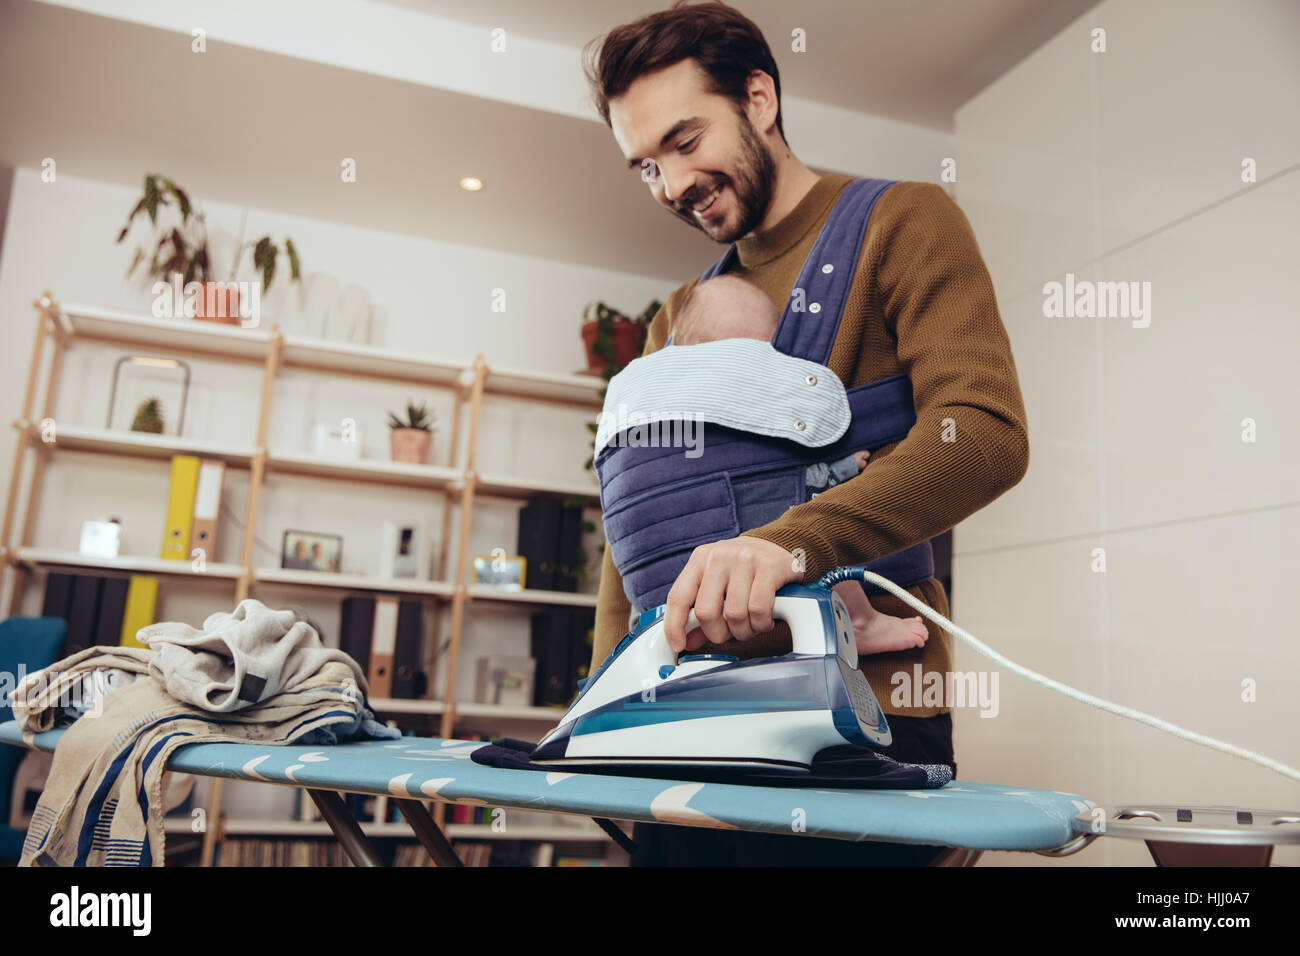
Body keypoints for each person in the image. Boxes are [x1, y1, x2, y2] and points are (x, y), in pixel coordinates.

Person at [582, 0, 1029, 865]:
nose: (671, 187)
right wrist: (606, 706)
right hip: (685, 727)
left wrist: (789, 545)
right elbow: (636, 510)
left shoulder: (907, 224)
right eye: (645, 167)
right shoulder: (686, 308)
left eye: (684, 142)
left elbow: (982, 432)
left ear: (759, 100)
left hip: (872, 723)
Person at [672, 273, 927, 656]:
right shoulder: (689, 414)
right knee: (812, 537)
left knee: (809, 525)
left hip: (742, 583)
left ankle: (857, 621)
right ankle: (859, 621)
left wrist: (843, 467)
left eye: (767, 356)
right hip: (708, 566)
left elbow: (804, 472)